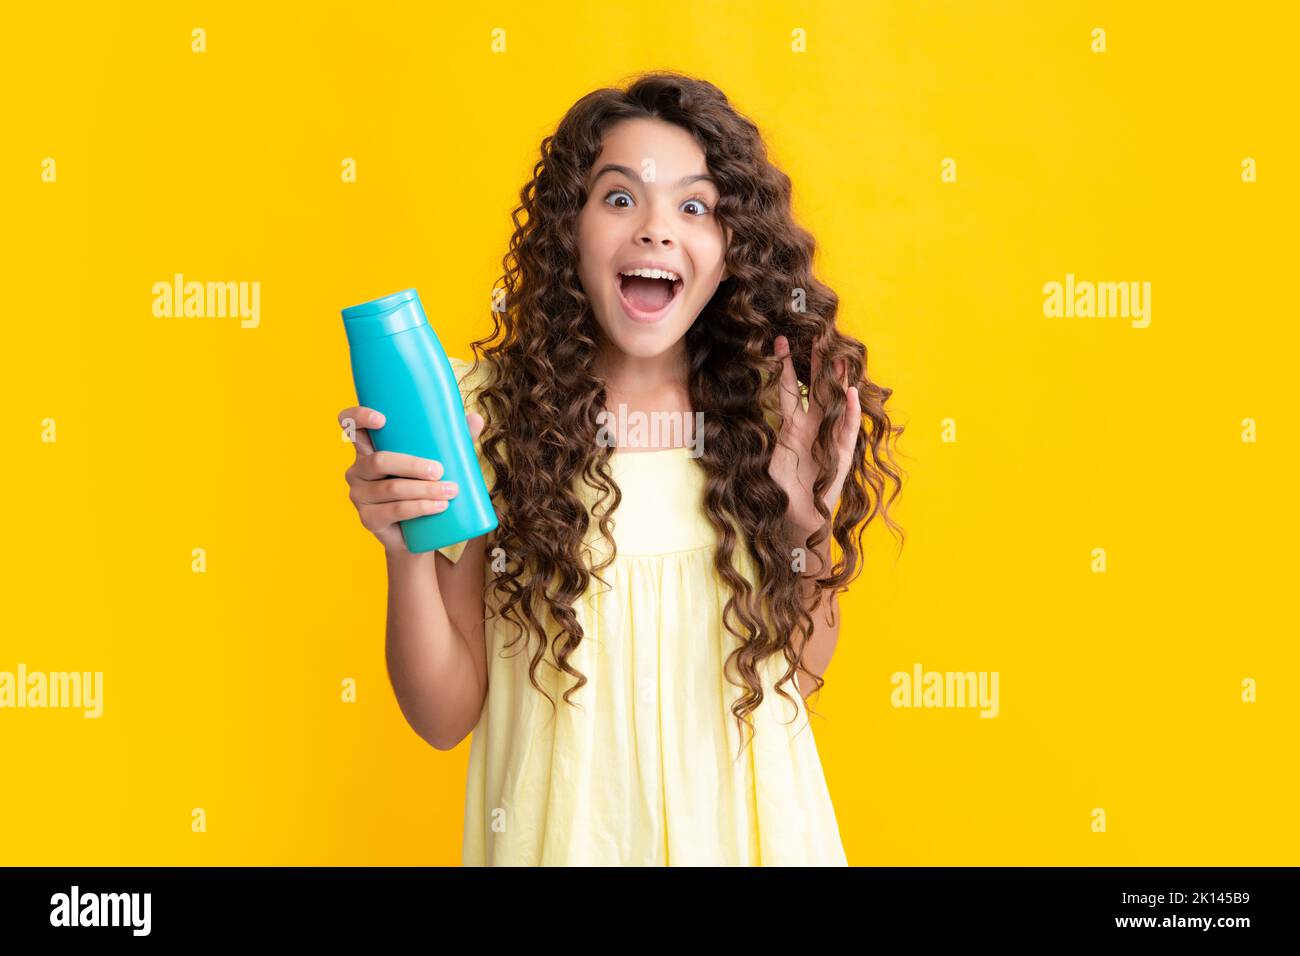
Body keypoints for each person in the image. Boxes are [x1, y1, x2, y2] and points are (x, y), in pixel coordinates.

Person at [338, 71, 905, 865]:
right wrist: (404, 553)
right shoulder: (485, 419)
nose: (655, 230)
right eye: (618, 198)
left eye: (695, 206)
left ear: (730, 245)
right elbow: (441, 716)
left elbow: (800, 678)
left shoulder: (771, 419)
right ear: (568, 229)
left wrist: (804, 527)